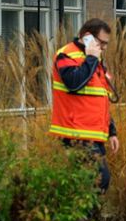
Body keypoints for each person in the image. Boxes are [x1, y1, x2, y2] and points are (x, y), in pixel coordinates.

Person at [49, 18, 119, 194]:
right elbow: (73, 83)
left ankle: (84, 219)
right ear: (87, 36)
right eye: (101, 42)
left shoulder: (95, 60)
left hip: (92, 133)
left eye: (106, 44)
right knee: (100, 179)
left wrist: (111, 131)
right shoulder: (66, 55)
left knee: (88, 182)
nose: (103, 48)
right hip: (75, 133)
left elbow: (101, 97)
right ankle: (85, 219)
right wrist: (90, 58)